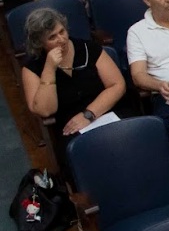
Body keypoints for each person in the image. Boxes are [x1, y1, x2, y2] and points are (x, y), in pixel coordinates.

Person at [21, 8, 125, 140]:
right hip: (70, 127)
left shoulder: (88, 48)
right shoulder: (32, 68)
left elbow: (117, 85)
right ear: (39, 43)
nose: (61, 39)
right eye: (52, 37)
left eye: (62, 31)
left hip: (105, 112)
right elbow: (46, 110)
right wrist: (49, 69)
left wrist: (88, 114)